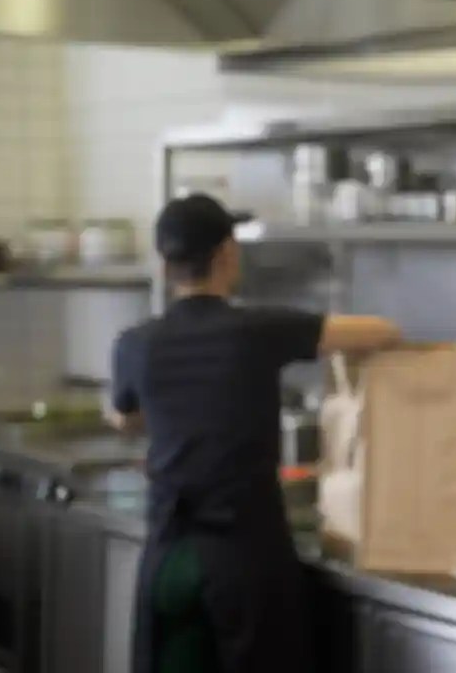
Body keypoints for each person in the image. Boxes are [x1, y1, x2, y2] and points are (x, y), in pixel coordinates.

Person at [107, 193, 401, 673]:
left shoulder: (134, 344)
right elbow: (381, 332)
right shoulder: (258, 330)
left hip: (169, 559)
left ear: (165, 266)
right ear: (227, 255)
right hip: (242, 564)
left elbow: (124, 418)